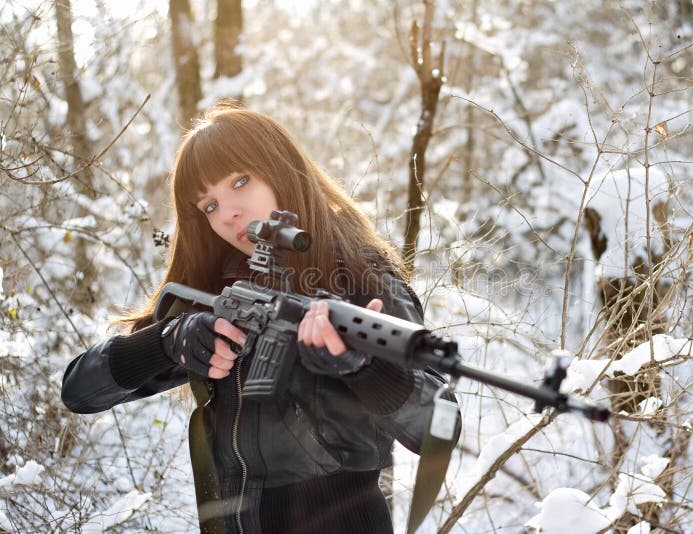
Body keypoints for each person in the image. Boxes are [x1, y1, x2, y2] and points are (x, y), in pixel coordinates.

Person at [61, 103, 460, 534]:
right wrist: (167, 340)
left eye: (240, 181)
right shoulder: (219, 289)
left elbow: (439, 427)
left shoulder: (361, 278)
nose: (228, 212)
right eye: (210, 205)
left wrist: (364, 369)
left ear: (280, 170)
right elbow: (80, 392)